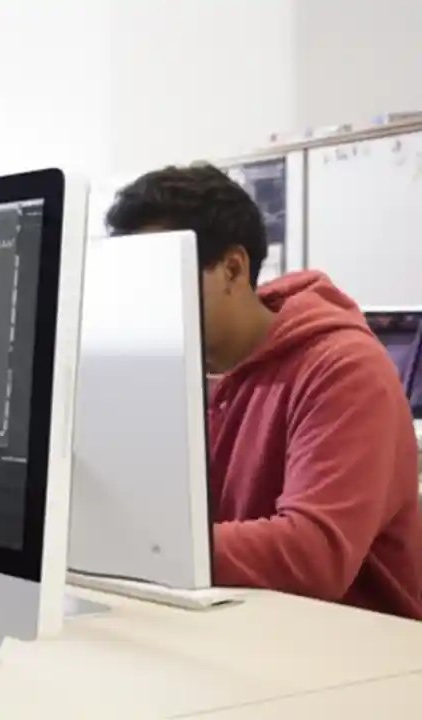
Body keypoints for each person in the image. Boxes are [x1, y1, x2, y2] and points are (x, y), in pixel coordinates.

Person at [105, 163, 422, 620]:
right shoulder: (164, 367)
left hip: (352, 641)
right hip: (228, 621)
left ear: (232, 268)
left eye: (158, 279)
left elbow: (314, 554)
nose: (140, 303)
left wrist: (136, 547)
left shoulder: (343, 368)